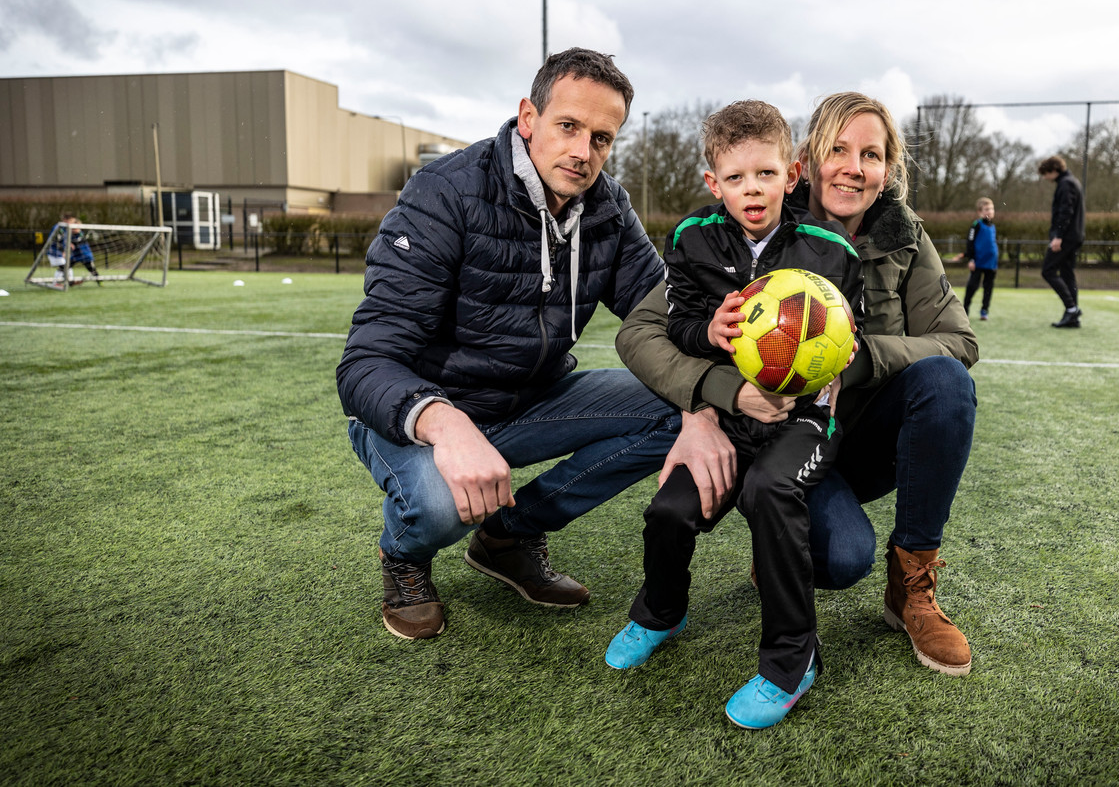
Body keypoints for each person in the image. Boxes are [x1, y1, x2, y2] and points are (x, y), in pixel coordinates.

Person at [336, 47, 718, 641]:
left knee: (681, 405)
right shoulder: (445, 192)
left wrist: (709, 388)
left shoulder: (607, 207)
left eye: (601, 138)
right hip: (422, 414)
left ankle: (506, 536)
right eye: (568, 126)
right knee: (440, 505)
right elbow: (366, 361)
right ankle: (404, 557)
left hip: (531, 399)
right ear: (528, 117)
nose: (583, 151)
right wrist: (446, 424)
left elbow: (667, 311)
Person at [616, 91, 979, 685]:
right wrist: (706, 402)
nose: (853, 168)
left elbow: (959, 342)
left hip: (847, 432)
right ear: (805, 164)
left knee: (945, 381)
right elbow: (646, 331)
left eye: (871, 154)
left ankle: (911, 586)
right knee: (836, 557)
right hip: (766, 429)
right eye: (838, 150)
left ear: (888, 168)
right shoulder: (740, 227)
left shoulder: (903, 236)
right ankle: (740, 565)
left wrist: (859, 359)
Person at [603, 100, 863, 730]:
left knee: (770, 491)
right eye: (737, 177)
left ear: (792, 175)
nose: (753, 189)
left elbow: (855, 340)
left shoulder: (831, 250)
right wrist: (709, 332)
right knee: (669, 510)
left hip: (804, 419)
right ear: (713, 182)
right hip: (725, 416)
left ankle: (793, 660)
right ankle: (661, 612)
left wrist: (841, 351)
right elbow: (678, 325)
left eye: (766, 174)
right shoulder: (690, 239)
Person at [1039, 155, 1085, 328]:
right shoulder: (1071, 182)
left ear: (1053, 170)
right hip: (1073, 236)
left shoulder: (1066, 184)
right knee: (1067, 274)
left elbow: (1066, 212)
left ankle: (1072, 309)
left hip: (1066, 237)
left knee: (1048, 270)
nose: (1045, 178)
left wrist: (1058, 236)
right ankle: (1073, 316)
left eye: (1045, 173)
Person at [953, 196, 998, 321]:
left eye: (991, 209)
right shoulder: (976, 225)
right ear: (980, 212)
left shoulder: (993, 226)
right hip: (978, 262)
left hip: (991, 263)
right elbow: (970, 242)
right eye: (986, 209)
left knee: (988, 288)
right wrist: (971, 259)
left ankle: (984, 311)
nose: (990, 211)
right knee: (972, 286)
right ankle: (965, 310)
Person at [46, 214, 100, 286]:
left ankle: (70, 282)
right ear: (65, 220)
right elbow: (56, 241)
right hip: (54, 251)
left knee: (67, 266)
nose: (73, 223)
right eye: (71, 221)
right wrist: (63, 250)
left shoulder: (68, 229)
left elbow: (65, 240)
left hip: (69, 253)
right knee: (64, 266)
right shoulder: (59, 228)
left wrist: (69, 244)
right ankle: (56, 283)